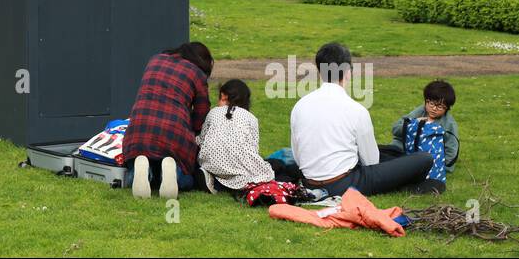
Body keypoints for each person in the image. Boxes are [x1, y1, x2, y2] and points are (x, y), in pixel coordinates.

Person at [289, 42, 431, 196]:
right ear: (348, 72)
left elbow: (298, 156)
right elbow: (371, 162)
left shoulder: (299, 106)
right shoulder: (356, 110)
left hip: (309, 181)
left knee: (389, 152)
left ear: (319, 71)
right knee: (424, 159)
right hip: (344, 184)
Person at [123, 41, 213, 200]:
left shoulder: (155, 60)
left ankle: (143, 167)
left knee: (133, 171)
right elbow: (201, 116)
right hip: (174, 135)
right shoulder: (197, 74)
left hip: (139, 131)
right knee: (186, 179)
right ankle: (174, 172)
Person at [196, 79, 276, 196]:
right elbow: (253, 148)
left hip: (210, 163)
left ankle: (211, 178)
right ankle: (228, 184)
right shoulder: (251, 118)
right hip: (239, 168)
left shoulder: (213, 112)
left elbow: (201, 140)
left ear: (223, 97)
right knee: (264, 171)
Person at [382, 80, 460, 193]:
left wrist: (443, 167)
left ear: (447, 108)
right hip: (404, 150)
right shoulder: (419, 112)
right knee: (384, 154)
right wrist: (413, 124)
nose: (434, 108)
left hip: (428, 159)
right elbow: (396, 129)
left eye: (440, 107)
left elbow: (452, 149)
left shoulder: (449, 125)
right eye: (431, 103)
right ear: (426, 101)